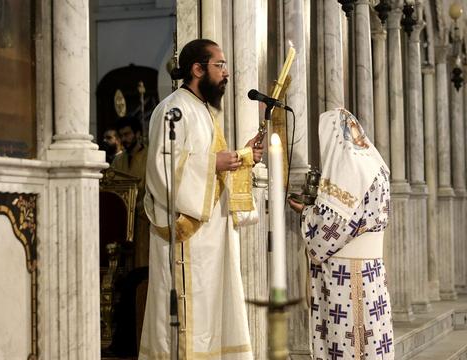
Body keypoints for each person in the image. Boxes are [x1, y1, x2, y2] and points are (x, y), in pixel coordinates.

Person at [140, 39, 263, 359]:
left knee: (213, 313)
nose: (226, 73)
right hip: (186, 240)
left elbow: (212, 165)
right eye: (219, 65)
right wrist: (214, 163)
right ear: (197, 69)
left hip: (210, 242)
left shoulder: (202, 110)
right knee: (189, 320)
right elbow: (161, 170)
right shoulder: (174, 110)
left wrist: (243, 156)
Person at [288, 109, 394, 360]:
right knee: (371, 338)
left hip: (347, 275)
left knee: (350, 342)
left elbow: (329, 231)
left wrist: (306, 213)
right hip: (372, 272)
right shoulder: (374, 164)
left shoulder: (348, 170)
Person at [112, 116, 150, 269]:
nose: (124, 139)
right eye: (121, 136)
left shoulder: (150, 157)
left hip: (143, 221)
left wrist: (136, 209)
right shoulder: (118, 160)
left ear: (138, 134)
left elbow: (154, 190)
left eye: (127, 134)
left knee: (142, 268)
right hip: (122, 223)